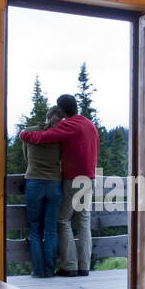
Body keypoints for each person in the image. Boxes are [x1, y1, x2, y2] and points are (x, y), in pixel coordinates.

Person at [19, 93, 98, 277]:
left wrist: (24, 134)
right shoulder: (89, 124)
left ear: (61, 109)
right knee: (84, 221)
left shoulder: (69, 125)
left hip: (72, 178)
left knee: (63, 220)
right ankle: (84, 266)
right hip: (89, 177)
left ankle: (70, 266)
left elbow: (44, 137)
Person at [21, 106, 64, 278]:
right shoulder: (61, 138)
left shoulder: (29, 132)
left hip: (34, 182)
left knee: (35, 228)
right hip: (54, 183)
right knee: (51, 230)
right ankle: (49, 269)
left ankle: (38, 271)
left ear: (47, 115)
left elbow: (26, 157)